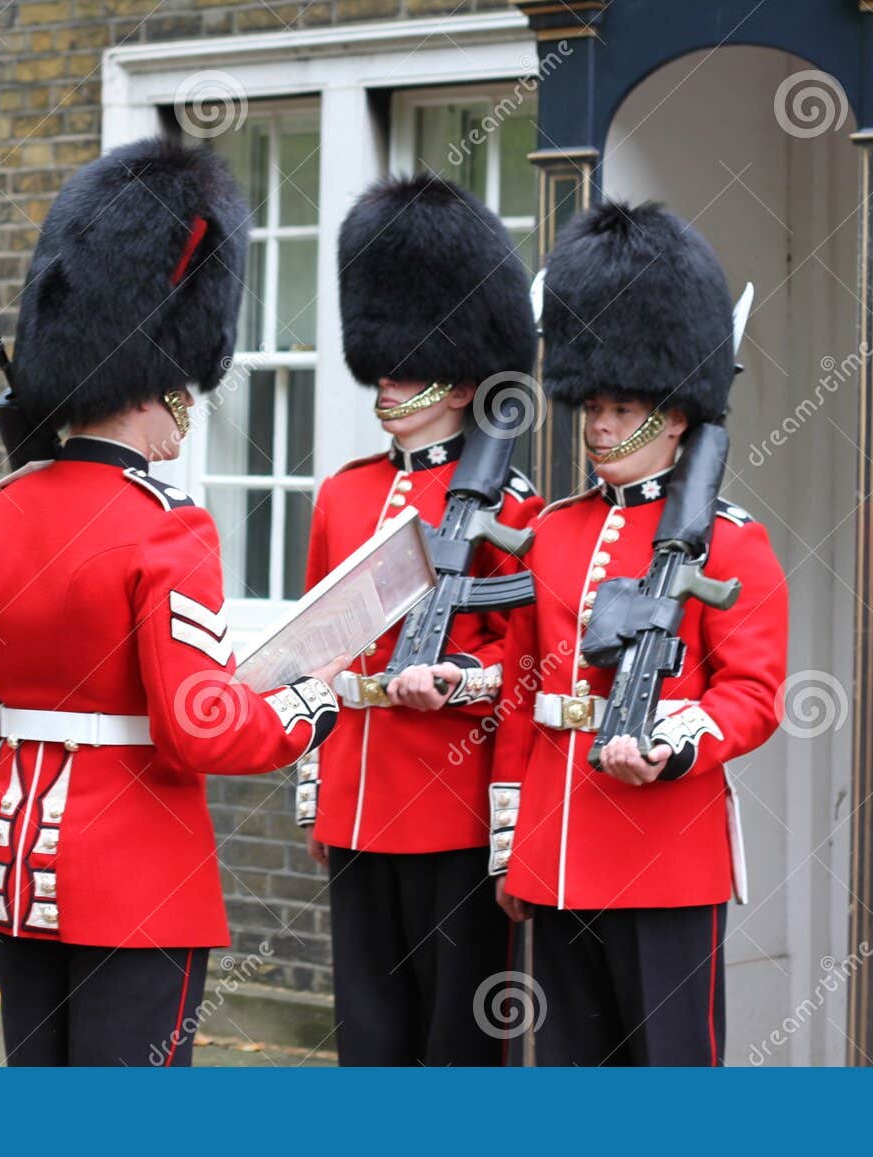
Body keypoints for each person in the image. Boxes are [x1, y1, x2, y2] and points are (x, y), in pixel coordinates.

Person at [0, 136, 345, 1068]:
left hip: (16, 862)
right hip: (137, 879)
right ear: (162, 389)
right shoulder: (168, 526)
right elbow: (199, 729)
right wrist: (314, 702)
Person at [490, 201, 789, 1066]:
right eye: (591, 408)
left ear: (678, 413)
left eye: (622, 409)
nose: (599, 427)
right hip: (558, 847)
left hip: (664, 853)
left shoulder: (732, 541)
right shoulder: (552, 529)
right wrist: (515, 843)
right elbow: (521, 691)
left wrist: (674, 737)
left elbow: (752, 694)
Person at [296, 175, 544, 1065]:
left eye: (413, 356)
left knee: (455, 1047)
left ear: (462, 372)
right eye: (385, 356)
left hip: (453, 803)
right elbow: (315, 650)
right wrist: (319, 796)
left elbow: (524, 665)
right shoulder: (343, 495)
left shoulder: (514, 505)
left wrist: (456, 680)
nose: (391, 373)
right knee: (368, 1038)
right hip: (357, 800)